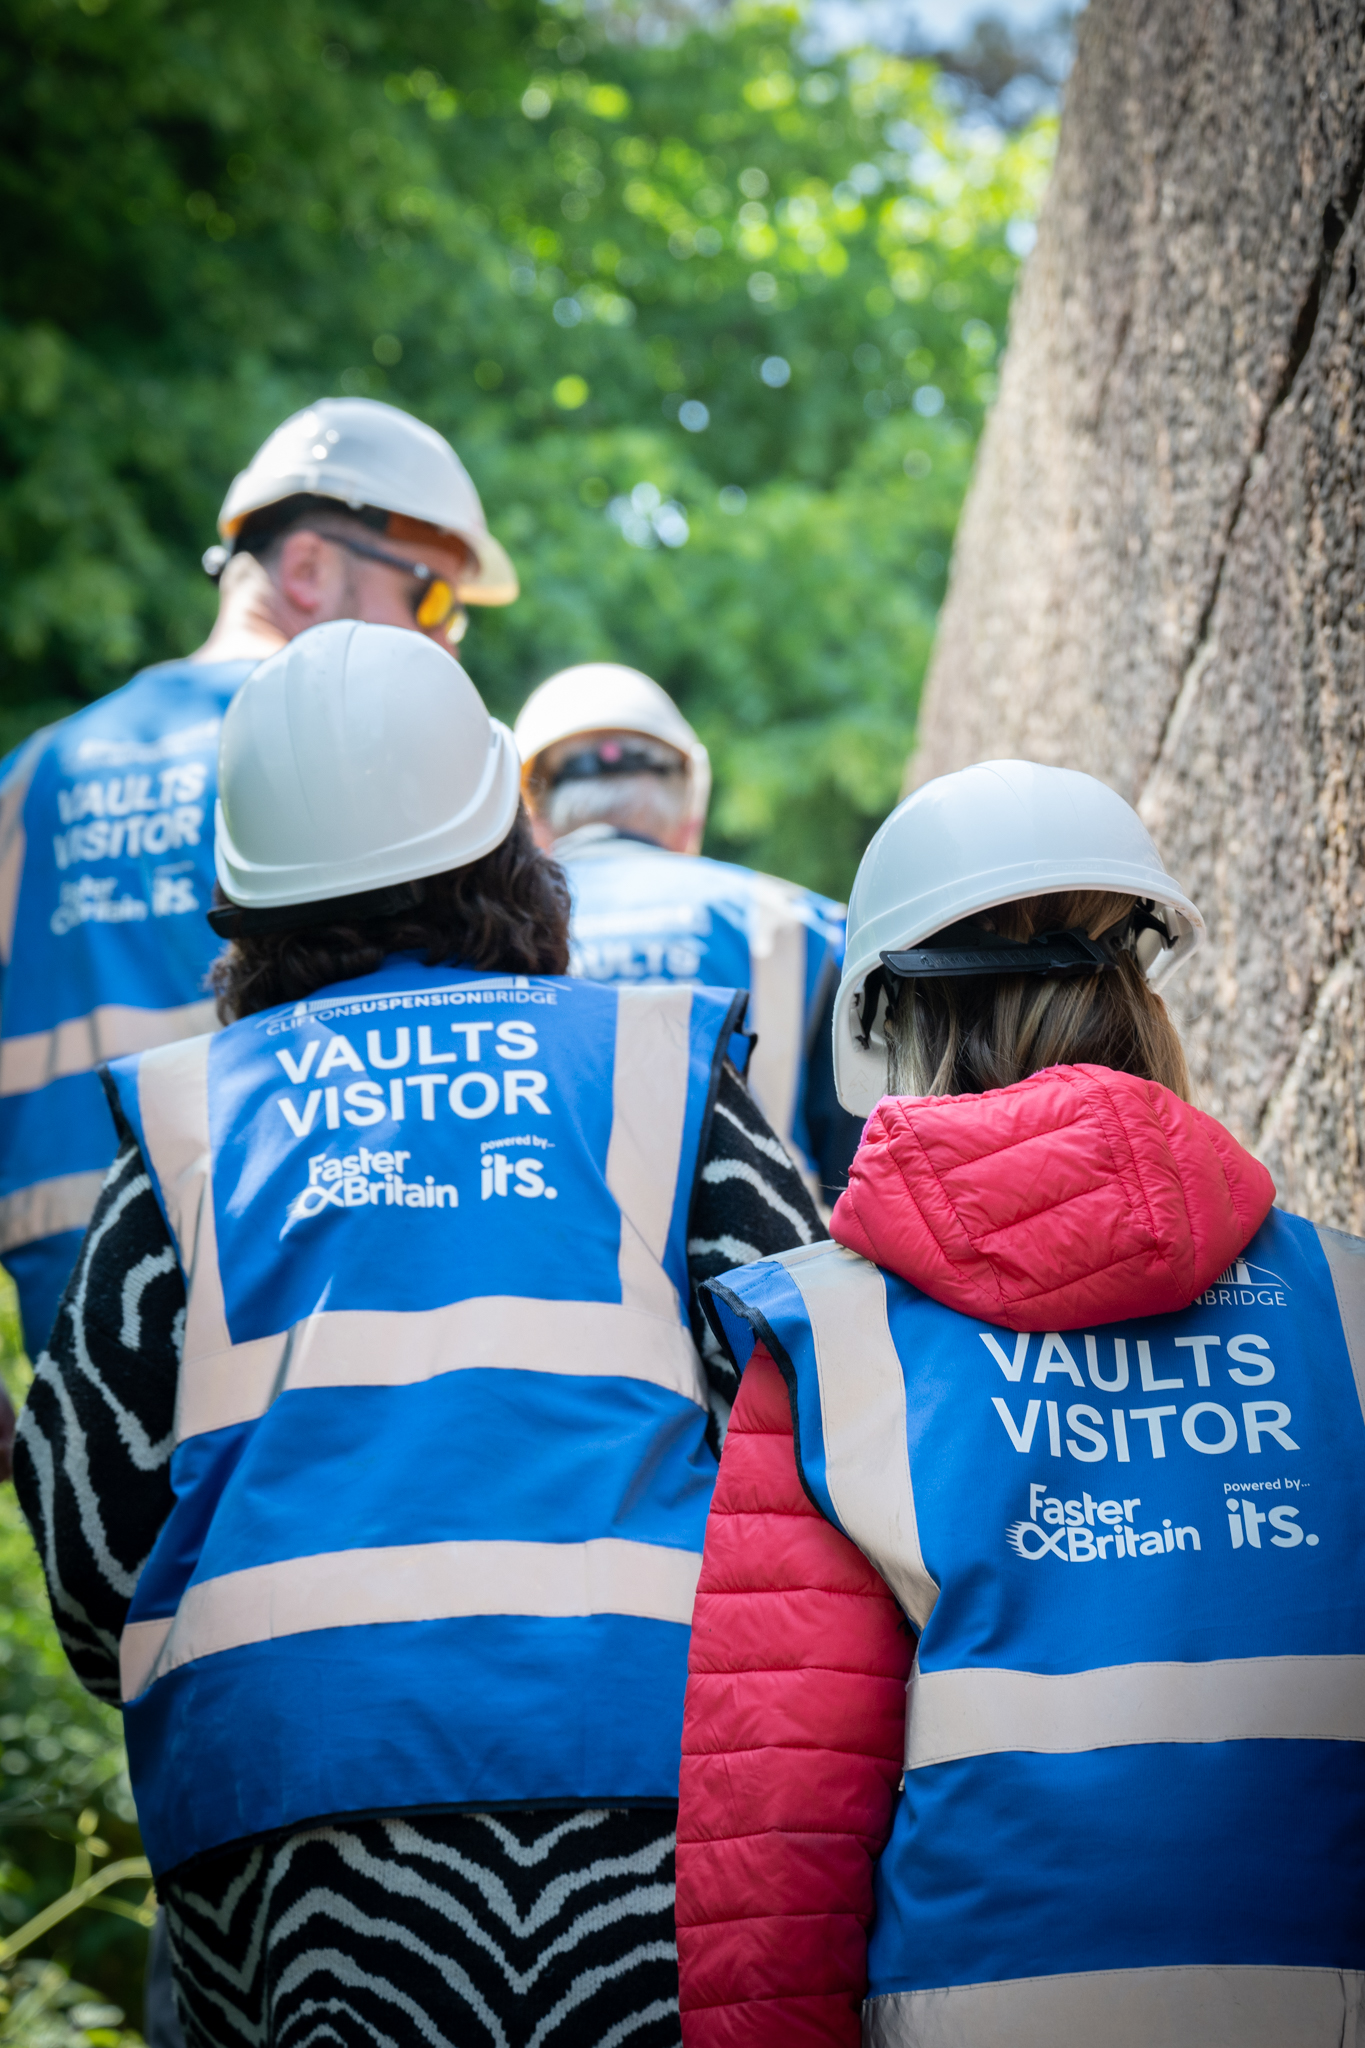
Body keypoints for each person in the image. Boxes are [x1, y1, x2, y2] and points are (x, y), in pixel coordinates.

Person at [14, 621, 822, 2048]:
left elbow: (90, 1550)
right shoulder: (655, 1064)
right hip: (655, 1799)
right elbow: (823, 1441)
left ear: (245, 908)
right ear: (512, 846)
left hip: (285, 1817)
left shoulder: (194, 1124)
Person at [675, 758, 1365, 2047]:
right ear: (1140, 995)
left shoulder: (833, 1337)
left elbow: (779, 1835)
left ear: (879, 1023)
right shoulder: (1344, 1299)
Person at [0, 395, 515, 1358]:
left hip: (80, 1338)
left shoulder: (29, 780)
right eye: (434, 599)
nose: (446, 640)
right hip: (309, 1291)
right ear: (311, 568)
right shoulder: (376, 761)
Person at [515, 663, 862, 1203]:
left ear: (531, 822)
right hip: (768, 1279)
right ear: (688, 814)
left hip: (566, 1272)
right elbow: (862, 1166)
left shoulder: (489, 934)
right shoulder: (801, 924)